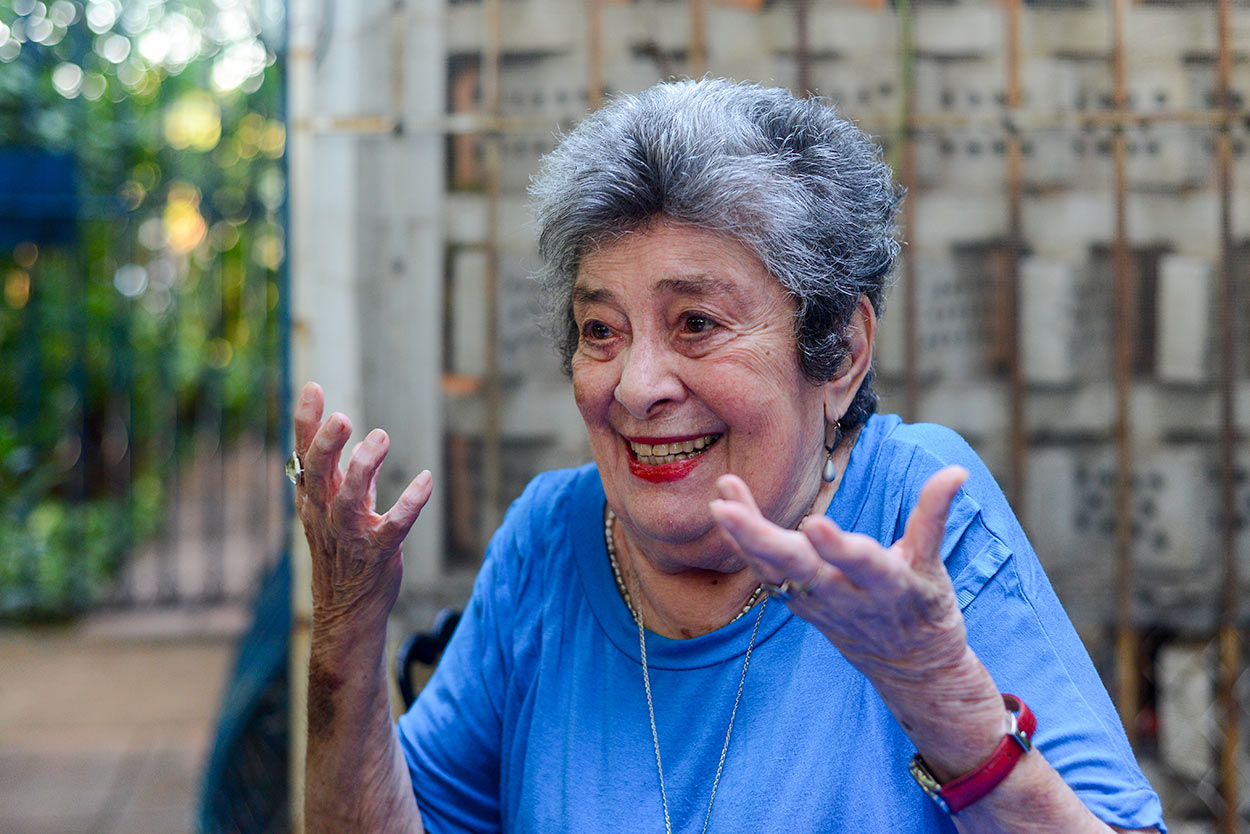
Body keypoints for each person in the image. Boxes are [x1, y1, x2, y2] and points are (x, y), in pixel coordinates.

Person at [291, 78, 1166, 833]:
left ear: (840, 351)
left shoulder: (910, 511)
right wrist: (347, 631)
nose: (637, 386)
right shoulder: (550, 538)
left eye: (697, 323)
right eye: (601, 330)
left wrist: (947, 703)